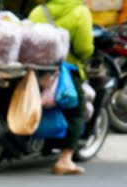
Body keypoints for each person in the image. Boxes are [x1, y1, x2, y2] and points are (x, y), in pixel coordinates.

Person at [31, 0, 95, 175]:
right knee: (77, 111)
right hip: (65, 70)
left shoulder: (38, 10)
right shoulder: (81, 12)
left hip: (34, 71)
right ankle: (65, 160)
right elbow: (84, 49)